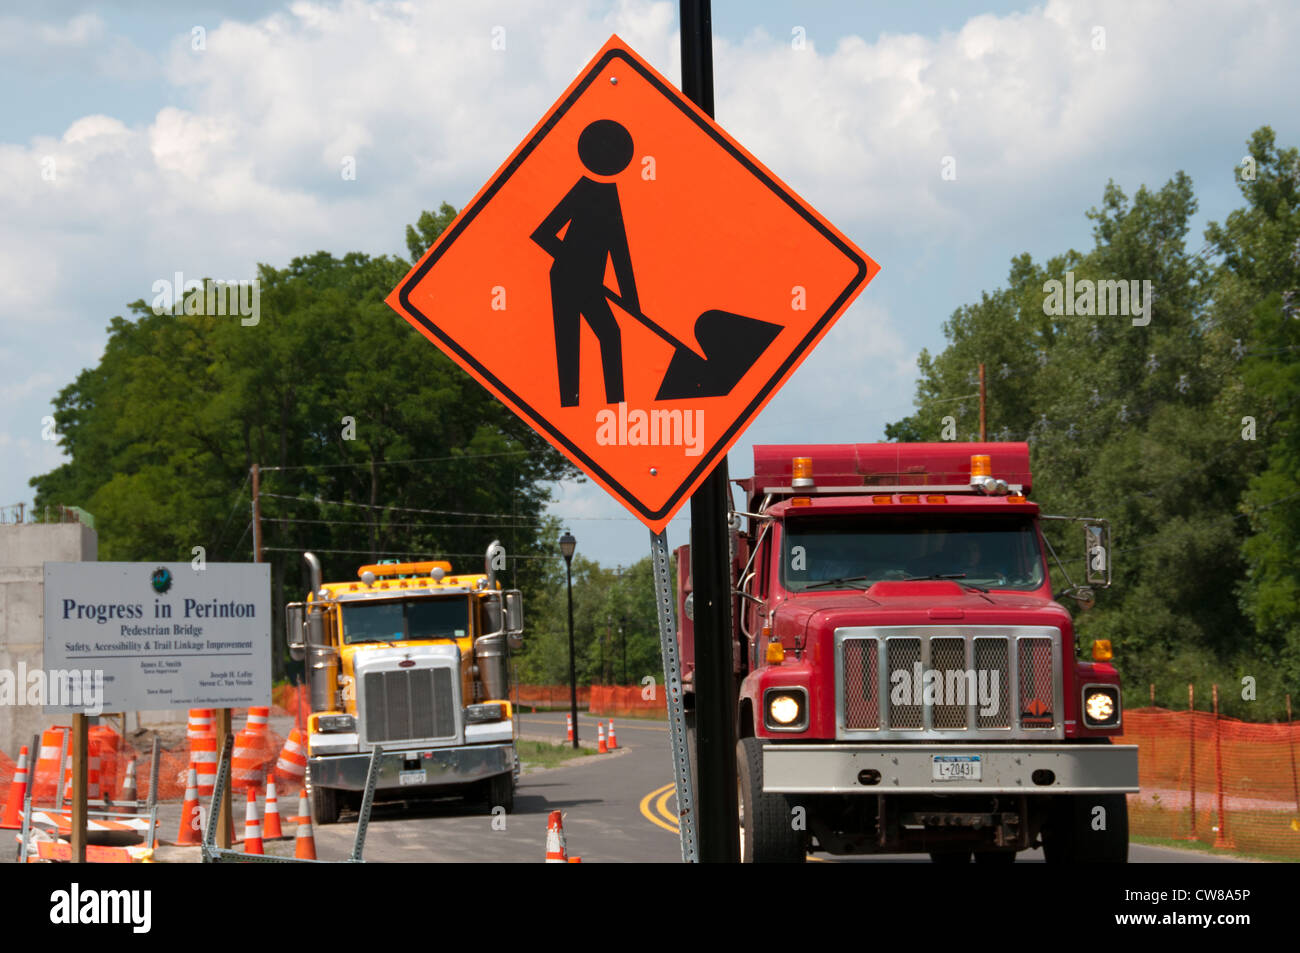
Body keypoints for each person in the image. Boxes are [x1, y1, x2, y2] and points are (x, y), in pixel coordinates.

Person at [531, 119, 640, 408]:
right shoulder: (584, 189)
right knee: (570, 342)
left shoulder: (610, 193)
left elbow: (619, 249)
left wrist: (631, 299)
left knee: (611, 334)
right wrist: (574, 262)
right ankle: (570, 406)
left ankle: (617, 406)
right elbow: (543, 233)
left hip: (590, 283)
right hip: (565, 278)